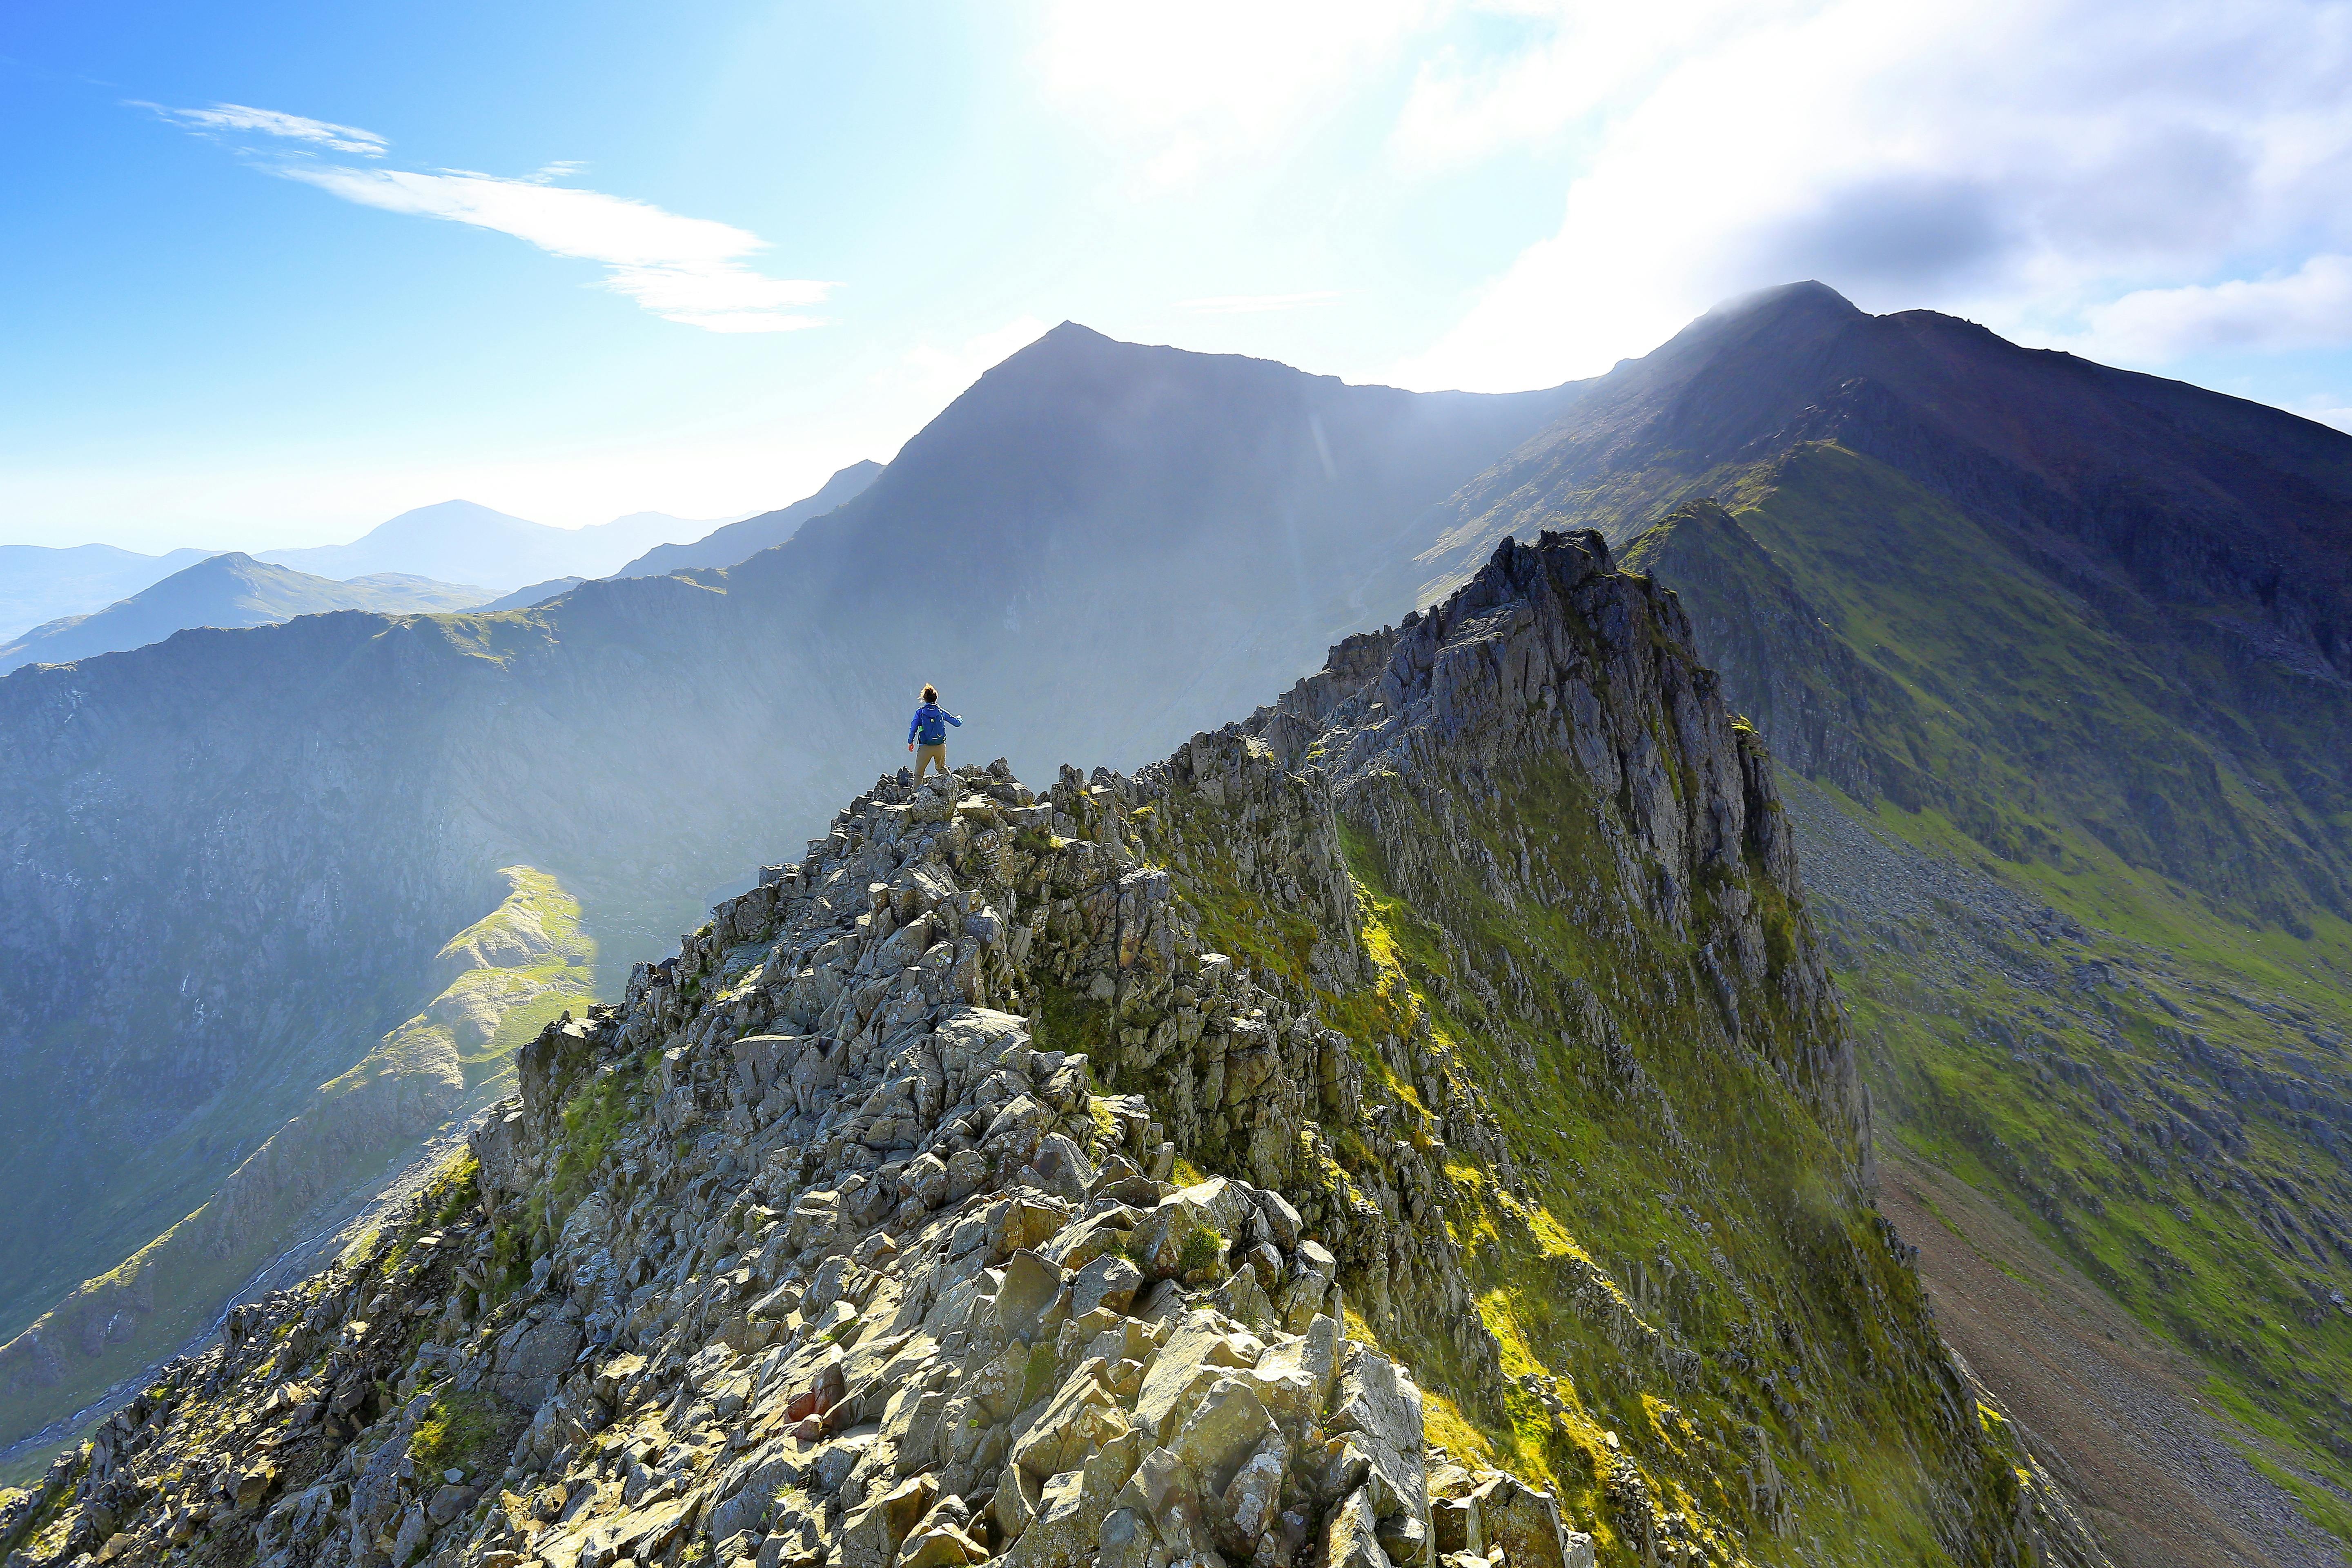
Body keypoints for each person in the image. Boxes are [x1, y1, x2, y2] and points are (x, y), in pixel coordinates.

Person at [906, 684, 962, 783]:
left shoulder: (920, 712)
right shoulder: (941, 711)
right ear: (936, 698)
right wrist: (960, 718)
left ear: (925, 699)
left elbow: (913, 728)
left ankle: (915, 796)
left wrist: (910, 742)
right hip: (940, 746)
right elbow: (957, 723)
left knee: (919, 774)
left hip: (925, 746)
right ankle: (954, 788)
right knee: (941, 768)